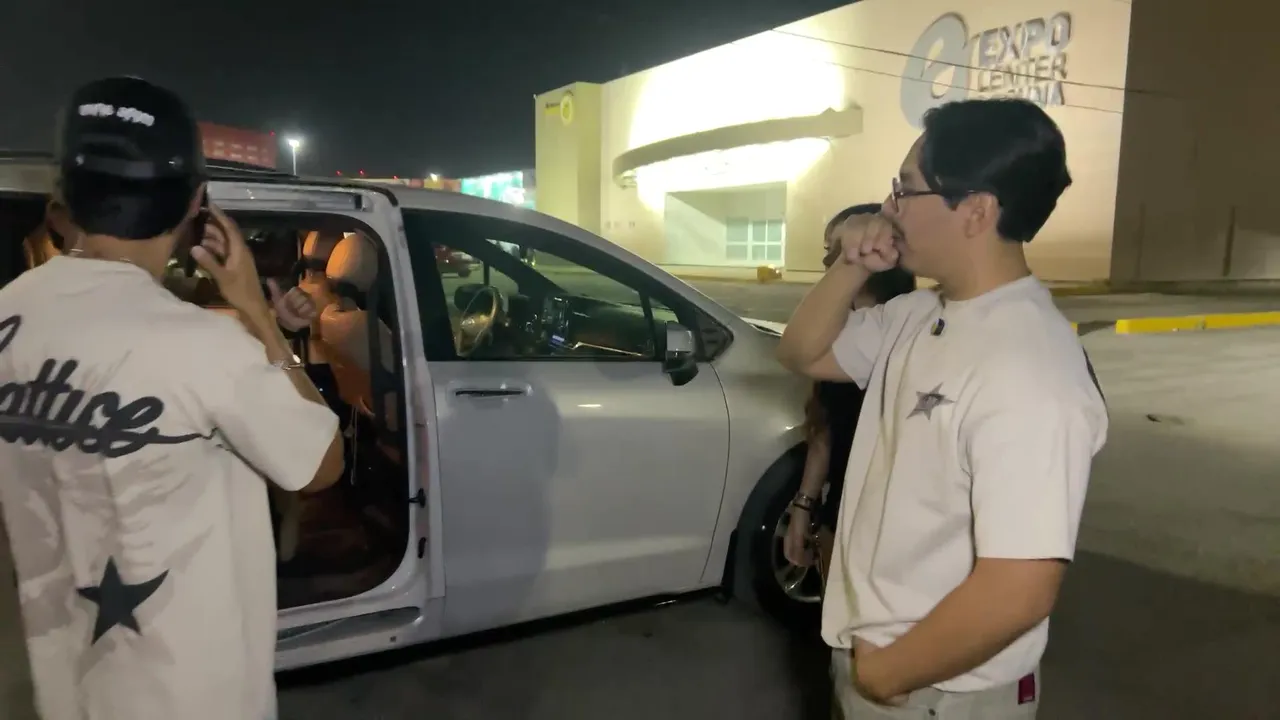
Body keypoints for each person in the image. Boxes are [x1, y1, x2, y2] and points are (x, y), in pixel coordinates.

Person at [0, 76, 345, 720]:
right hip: (189, 694)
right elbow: (321, 464)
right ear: (195, 202)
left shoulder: (8, 317)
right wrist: (256, 311)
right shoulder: (206, 347)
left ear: (64, 195)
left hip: (59, 682)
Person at [776, 98, 1108, 719]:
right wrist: (852, 264)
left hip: (937, 690)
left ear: (976, 210)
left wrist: (885, 675)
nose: (889, 208)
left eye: (906, 189)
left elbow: (1020, 587)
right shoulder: (918, 314)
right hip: (879, 658)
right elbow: (802, 352)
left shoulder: (1030, 368)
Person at [782, 204, 915, 580]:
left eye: (842, 249)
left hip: (894, 522)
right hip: (840, 510)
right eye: (829, 250)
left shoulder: (908, 327)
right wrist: (804, 506)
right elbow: (823, 428)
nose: (829, 261)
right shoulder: (836, 335)